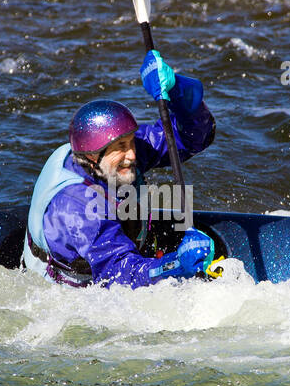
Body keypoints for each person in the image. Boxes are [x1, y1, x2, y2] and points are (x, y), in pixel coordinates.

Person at [23, 50, 217, 287]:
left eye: (131, 142)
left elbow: (194, 137)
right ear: (92, 156)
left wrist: (176, 89)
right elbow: (121, 275)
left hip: (120, 254)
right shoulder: (77, 207)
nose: (132, 154)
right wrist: (175, 264)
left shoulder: (113, 155)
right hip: (71, 290)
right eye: (120, 147)